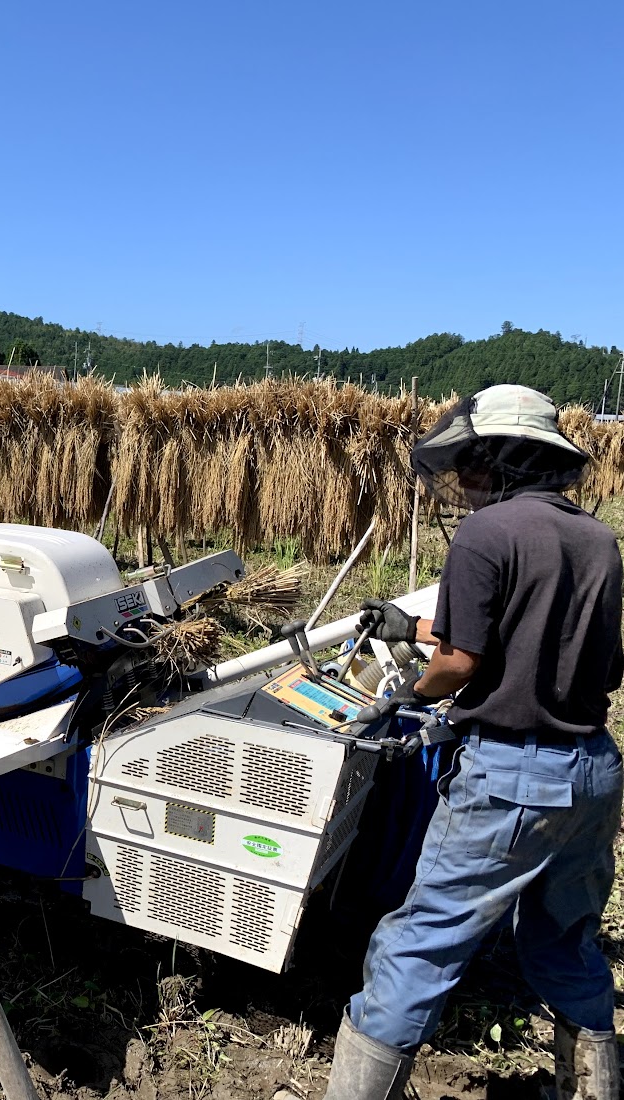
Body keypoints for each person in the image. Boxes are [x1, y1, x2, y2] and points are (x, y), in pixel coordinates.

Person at [325, 385, 622, 1100]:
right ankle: (589, 1088)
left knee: (418, 942)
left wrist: (401, 697)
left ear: (504, 459)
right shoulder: (596, 538)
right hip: (591, 773)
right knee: (564, 937)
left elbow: (461, 663)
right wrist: (411, 628)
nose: (461, 478)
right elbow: (555, 643)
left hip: (511, 780)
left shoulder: (485, 535)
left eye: (471, 461)